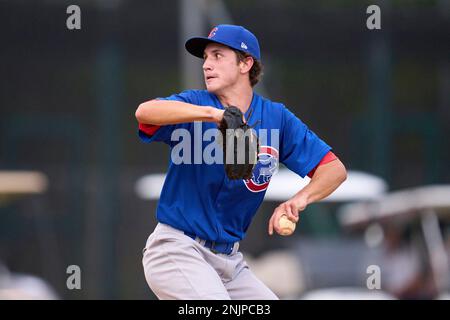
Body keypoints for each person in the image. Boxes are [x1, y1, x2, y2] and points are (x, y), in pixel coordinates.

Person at [135, 24, 347, 300]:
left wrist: (299, 200)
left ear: (246, 63)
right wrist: (212, 114)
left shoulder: (276, 118)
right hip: (178, 248)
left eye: (218, 56)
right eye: (206, 58)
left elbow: (334, 170)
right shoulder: (194, 104)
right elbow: (145, 111)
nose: (207, 65)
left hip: (230, 262)